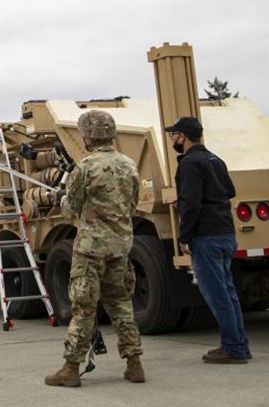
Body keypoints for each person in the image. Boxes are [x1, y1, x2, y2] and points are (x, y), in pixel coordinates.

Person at [46, 110, 144, 387]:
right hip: (120, 247)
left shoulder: (85, 167)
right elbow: (133, 204)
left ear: (88, 137)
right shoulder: (129, 165)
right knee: (122, 305)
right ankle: (134, 364)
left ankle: (71, 369)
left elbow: (71, 208)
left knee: (84, 309)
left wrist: (61, 199)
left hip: (90, 250)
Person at [166, 116, 251, 364]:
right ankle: (240, 345)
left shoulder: (189, 164)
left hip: (206, 236)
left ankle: (233, 348)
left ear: (183, 137)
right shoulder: (216, 160)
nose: (172, 139)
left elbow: (191, 203)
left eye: (173, 135)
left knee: (217, 294)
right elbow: (230, 191)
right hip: (225, 232)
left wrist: (184, 236)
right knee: (228, 292)